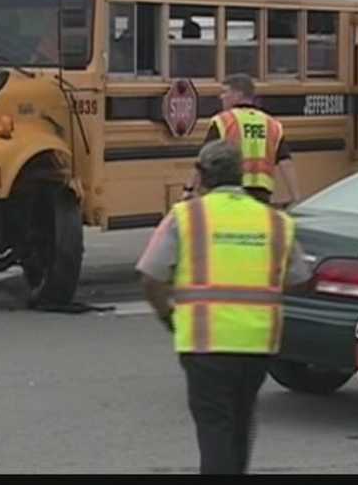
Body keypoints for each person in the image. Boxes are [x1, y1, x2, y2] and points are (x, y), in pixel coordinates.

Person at [137, 141, 313, 474]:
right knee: (241, 422)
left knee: (215, 427)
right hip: (257, 343)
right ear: (242, 175)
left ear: (201, 174)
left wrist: (168, 315)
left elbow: (150, 276)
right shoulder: (275, 221)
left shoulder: (186, 217)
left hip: (205, 343)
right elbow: (300, 278)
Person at [184, 73, 300, 208]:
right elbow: (285, 162)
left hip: (230, 190)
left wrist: (189, 188)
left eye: (225, 92)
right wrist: (295, 197)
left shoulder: (223, 121)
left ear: (238, 95)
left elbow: (205, 159)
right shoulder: (272, 124)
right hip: (262, 194)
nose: (221, 97)